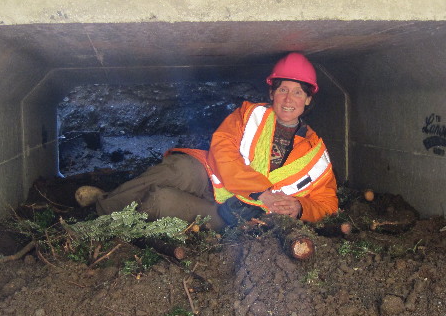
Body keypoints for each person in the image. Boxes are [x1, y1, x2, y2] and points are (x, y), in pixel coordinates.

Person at [75, 52, 338, 230]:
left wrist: (300, 208)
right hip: (214, 179)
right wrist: (262, 192)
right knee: (178, 168)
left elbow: (327, 204)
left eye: (297, 92)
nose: (289, 99)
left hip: (237, 216)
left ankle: (121, 221)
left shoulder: (315, 153)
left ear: (308, 99)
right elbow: (222, 148)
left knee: (160, 201)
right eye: (283, 90)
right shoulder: (249, 115)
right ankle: (103, 210)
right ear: (272, 93)